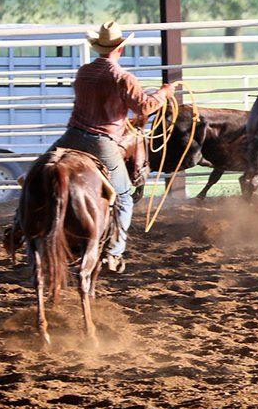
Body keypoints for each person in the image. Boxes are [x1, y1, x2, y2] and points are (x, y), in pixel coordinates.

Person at [50, 21, 175, 273]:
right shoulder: (123, 78)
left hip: (71, 137)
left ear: (98, 48)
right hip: (101, 143)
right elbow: (144, 108)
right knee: (125, 196)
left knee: (39, 171)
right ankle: (114, 253)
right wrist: (164, 93)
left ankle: (19, 227)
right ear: (120, 49)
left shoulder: (84, 72)